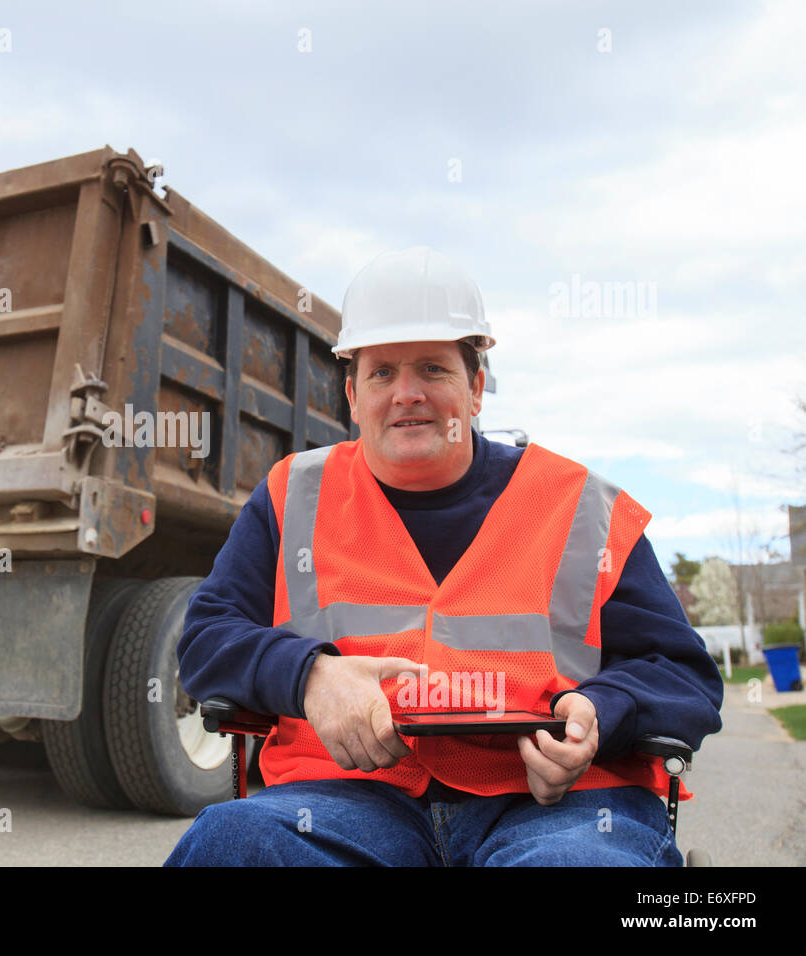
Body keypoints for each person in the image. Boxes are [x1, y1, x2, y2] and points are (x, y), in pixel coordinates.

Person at [164, 247, 723, 866]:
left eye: (433, 369)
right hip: (348, 804)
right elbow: (206, 640)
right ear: (352, 395)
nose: (407, 395)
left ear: (477, 387)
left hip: (556, 810)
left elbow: (682, 674)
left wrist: (600, 712)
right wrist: (310, 677)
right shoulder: (291, 496)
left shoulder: (579, 508)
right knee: (228, 844)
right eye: (382, 373)